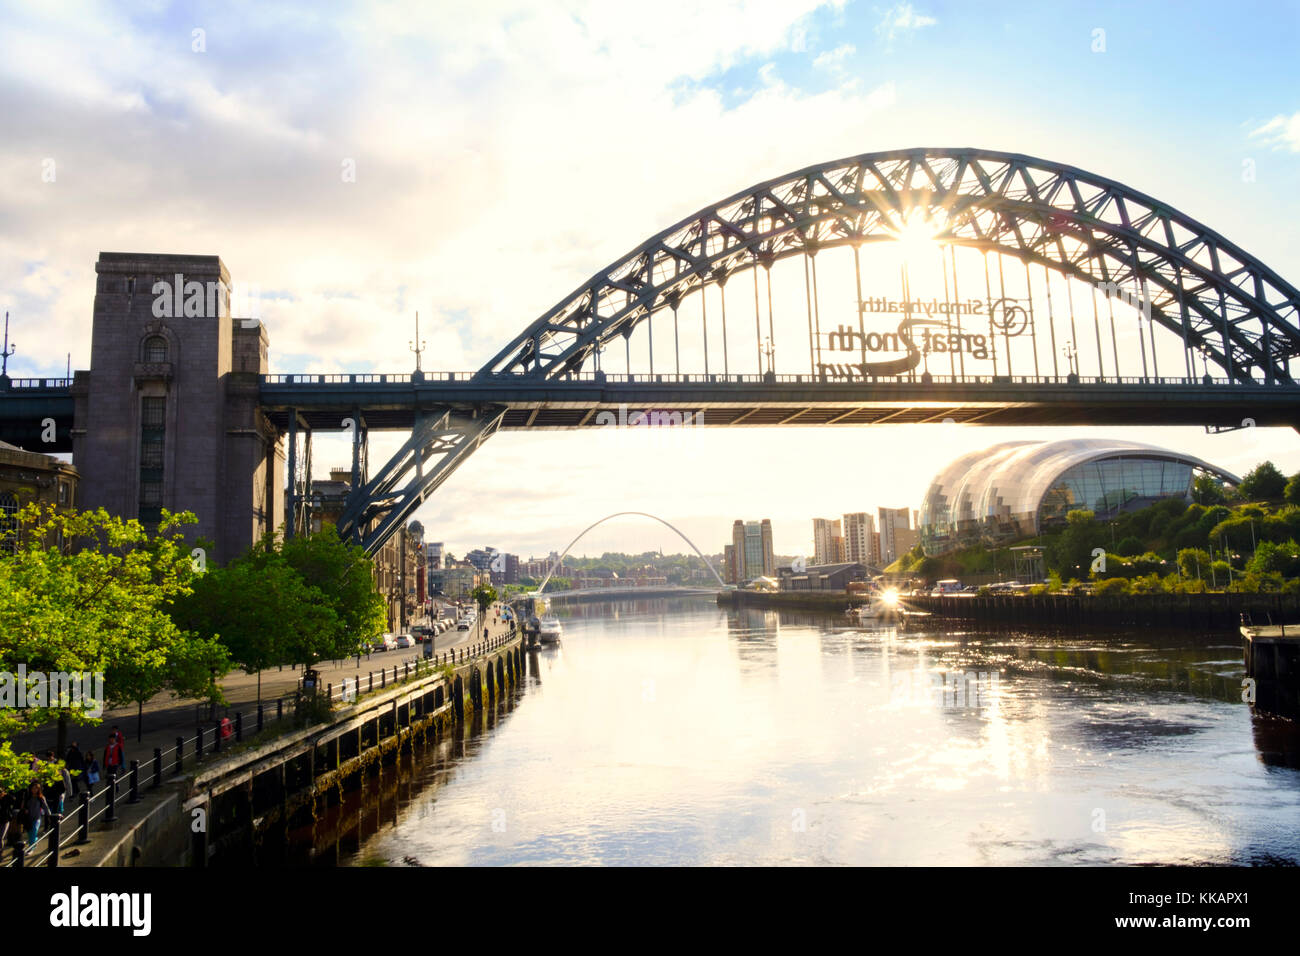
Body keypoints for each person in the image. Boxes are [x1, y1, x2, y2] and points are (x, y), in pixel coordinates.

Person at [22, 782, 51, 848]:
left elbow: (46, 807)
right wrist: (25, 809)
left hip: (37, 818)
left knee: (34, 830)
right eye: (33, 788)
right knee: (30, 834)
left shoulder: (41, 798)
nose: (34, 790)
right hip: (28, 818)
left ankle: (31, 848)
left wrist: (50, 816)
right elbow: (23, 807)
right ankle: (35, 840)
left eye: (36, 788)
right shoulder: (27, 797)